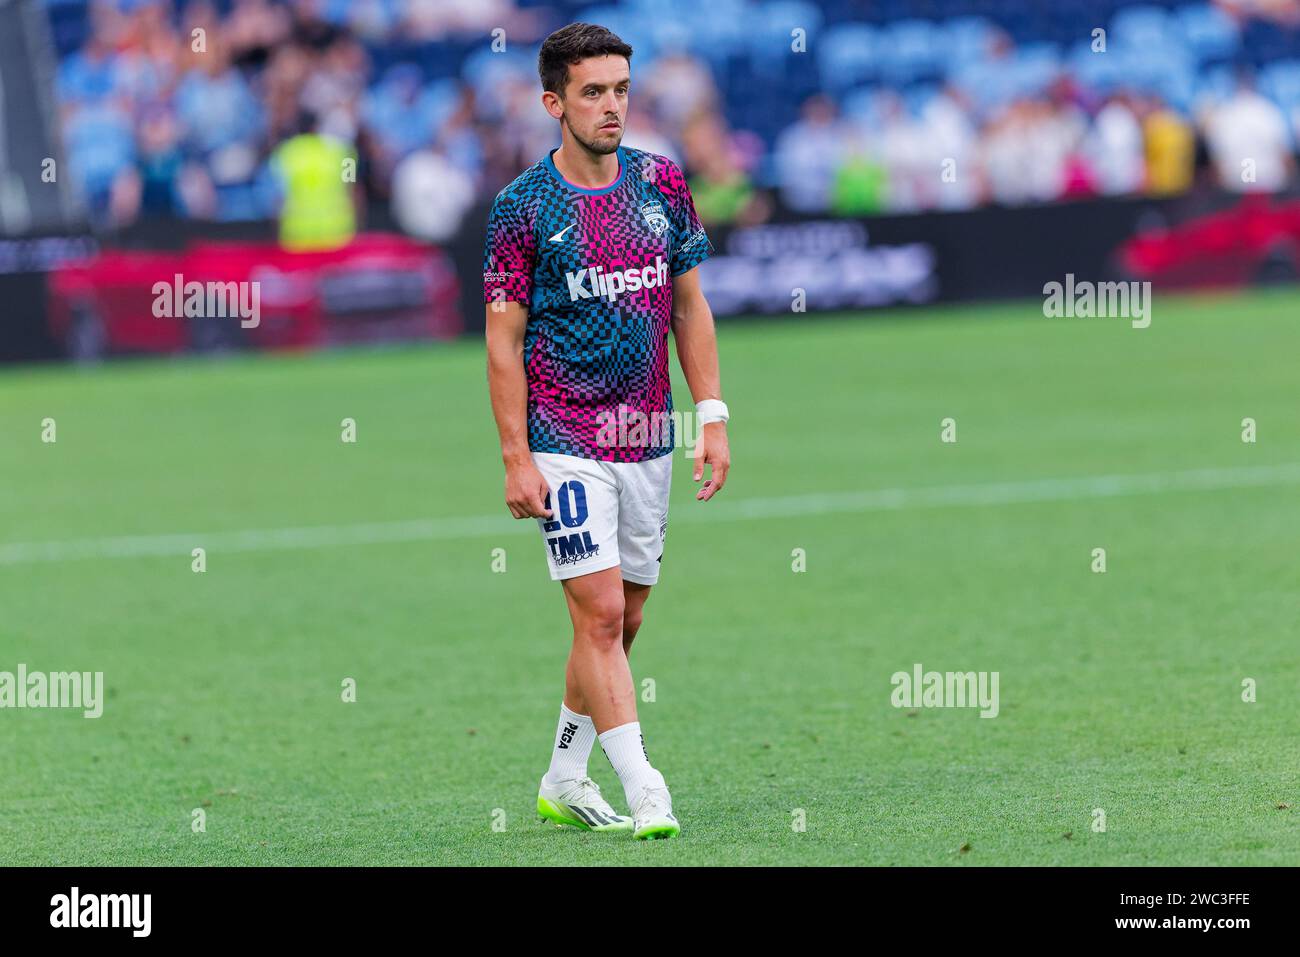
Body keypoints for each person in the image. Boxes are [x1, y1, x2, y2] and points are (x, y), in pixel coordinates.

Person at [482, 23, 730, 840]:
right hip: (562, 434)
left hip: (648, 435)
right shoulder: (521, 208)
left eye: (621, 89)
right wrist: (517, 456)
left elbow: (690, 305)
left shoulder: (661, 181)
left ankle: (563, 776)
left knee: (622, 622)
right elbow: (502, 340)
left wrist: (712, 415)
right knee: (594, 617)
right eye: (593, 92)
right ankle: (645, 786)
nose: (611, 105)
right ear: (554, 102)